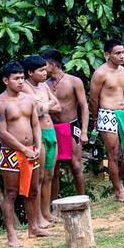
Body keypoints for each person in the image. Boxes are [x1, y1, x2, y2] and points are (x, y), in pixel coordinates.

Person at [0, 62, 44, 245]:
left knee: (33, 190)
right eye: (16, 78)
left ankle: (34, 228)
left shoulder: (28, 99)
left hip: (31, 151)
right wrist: (23, 149)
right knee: (12, 193)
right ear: (6, 80)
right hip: (11, 153)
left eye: (22, 78)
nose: (21, 81)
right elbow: (3, 133)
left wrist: (38, 146)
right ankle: (11, 235)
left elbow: (35, 125)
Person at [90, 39, 124, 202]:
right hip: (107, 113)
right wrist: (96, 119)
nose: (122, 56)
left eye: (123, 52)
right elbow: (93, 99)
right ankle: (119, 190)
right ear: (107, 55)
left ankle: (117, 182)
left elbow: (120, 93)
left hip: (122, 113)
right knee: (113, 154)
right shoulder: (100, 73)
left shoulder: (123, 71)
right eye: (117, 53)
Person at [42, 49, 88, 201]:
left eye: (45, 65)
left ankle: (83, 200)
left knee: (76, 166)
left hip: (72, 126)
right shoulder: (44, 85)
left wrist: (84, 131)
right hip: (52, 128)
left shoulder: (74, 81)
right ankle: (54, 205)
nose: (42, 68)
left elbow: (84, 106)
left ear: (53, 64)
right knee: (53, 170)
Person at [23, 56, 61, 227]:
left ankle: (46, 213)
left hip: (51, 131)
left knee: (49, 175)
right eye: (41, 70)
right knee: (38, 178)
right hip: (38, 134)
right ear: (30, 72)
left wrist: (44, 104)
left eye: (45, 69)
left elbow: (58, 106)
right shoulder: (25, 86)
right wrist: (47, 104)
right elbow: (37, 111)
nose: (45, 73)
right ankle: (37, 216)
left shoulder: (44, 86)